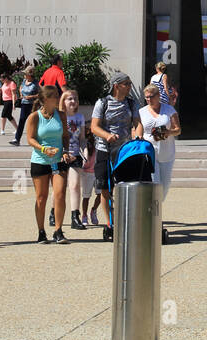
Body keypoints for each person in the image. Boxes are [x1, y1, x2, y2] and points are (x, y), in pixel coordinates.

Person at [91, 73, 141, 241]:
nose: (129, 86)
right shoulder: (102, 103)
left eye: (129, 83)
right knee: (105, 188)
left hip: (125, 151)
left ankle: (125, 220)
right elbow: (94, 127)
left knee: (125, 186)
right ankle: (109, 223)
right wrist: (106, 135)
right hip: (105, 149)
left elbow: (137, 123)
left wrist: (139, 137)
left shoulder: (131, 103)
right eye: (126, 83)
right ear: (116, 85)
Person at [27, 84, 70, 243]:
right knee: (41, 197)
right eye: (55, 97)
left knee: (59, 194)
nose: (58, 100)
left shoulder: (61, 115)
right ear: (45, 100)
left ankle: (58, 230)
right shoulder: (35, 117)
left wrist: (65, 151)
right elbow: (30, 139)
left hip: (58, 160)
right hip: (40, 160)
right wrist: (43, 149)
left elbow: (65, 135)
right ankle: (41, 231)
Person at [140, 82, 181, 243]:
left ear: (158, 96)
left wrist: (168, 132)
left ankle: (155, 210)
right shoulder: (142, 112)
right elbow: (137, 129)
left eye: (152, 96)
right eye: (147, 97)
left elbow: (178, 129)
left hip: (166, 152)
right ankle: (155, 218)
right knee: (154, 184)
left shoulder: (169, 110)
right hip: (150, 153)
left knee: (165, 185)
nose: (149, 99)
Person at [62, 88, 89, 230]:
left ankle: (75, 216)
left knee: (74, 185)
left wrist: (85, 152)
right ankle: (54, 212)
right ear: (63, 101)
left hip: (76, 155)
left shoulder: (80, 118)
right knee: (59, 189)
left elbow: (82, 139)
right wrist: (63, 153)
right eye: (69, 99)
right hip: (61, 155)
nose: (72, 101)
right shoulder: (60, 117)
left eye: (74, 99)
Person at [13, 66, 38, 145]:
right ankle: (17, 139)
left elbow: (40, 94)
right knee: (21, 121)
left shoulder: (36, 83)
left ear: (30, 74)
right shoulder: (24, 81)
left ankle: (36, 139)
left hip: (33, 105)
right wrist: (21, 93)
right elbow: (21, 87)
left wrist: (31, 97)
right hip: (24, 104)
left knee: (34, 122)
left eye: (26, 74)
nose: (24, 75)